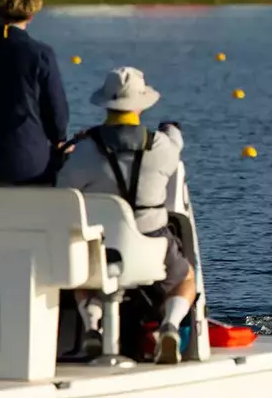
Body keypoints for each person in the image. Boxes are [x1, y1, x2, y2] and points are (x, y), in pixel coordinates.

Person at [56, 67, 196, 364]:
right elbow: (175, 152)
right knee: (185, 278)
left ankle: (93, 327)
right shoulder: (161, 146)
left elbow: (63, 189)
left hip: (100, 252)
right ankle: (169, 325)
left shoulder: (85, 150)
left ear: (106, 104)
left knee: (79, 265)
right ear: (141, 105)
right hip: (152, 248)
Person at [0, 0, 69, 185]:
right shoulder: (40, 54)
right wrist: (59, 141)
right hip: (27, 165)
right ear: (32, 13)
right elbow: (56, 115)